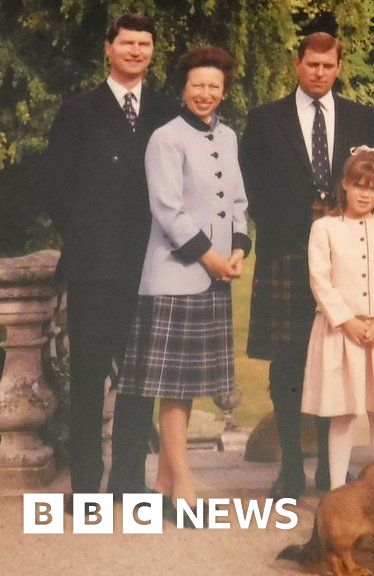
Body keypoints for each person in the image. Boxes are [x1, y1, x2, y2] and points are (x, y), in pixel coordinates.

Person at [42, 12, 179, 501]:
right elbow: (57, 188)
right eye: (127, 43)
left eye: (145, 44)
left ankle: (127, 480)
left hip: (149, 267)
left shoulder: (167, 109)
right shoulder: (78, 111)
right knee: (88, 376)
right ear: (109, 48)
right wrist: (89, 237)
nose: (136, 51)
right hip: (93, 268)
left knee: (138, 378)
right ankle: (84, 483)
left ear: (152, 51)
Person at [241, 32, 374, 499]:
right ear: (297, 64)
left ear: (339, 65)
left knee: (334, 362)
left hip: (343, 256)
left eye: (328, 65)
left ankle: (329, 468)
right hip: (287, 252)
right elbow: (252, 190)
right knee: (287, 365)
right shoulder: (264, 121)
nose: (320, 72)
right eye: (312, 64)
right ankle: (290, 469)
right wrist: (303, 225)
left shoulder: (364, 118)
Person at [117, 46, 249, 521]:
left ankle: (165, 481)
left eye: (215, 86)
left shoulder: (230, 137)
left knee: (189, 384)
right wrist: (212, 259)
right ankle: (185, 488)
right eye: (198, 85)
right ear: (183, 87)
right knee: (173, 387)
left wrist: (237, 250)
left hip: (215, 275)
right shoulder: (164, 139)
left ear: (224, 90)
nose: (206, 94)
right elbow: (167, 211)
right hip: (175, 275)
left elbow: (237, 201)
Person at [302, 148, 374, 488]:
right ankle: (338, 488)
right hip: (341, 333)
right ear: (345, 186)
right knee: (343, 411)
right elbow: (319, 279)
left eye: (373, 187)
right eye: (358, 185)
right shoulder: (324, 228)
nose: (365, 193)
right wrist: (347, 320)